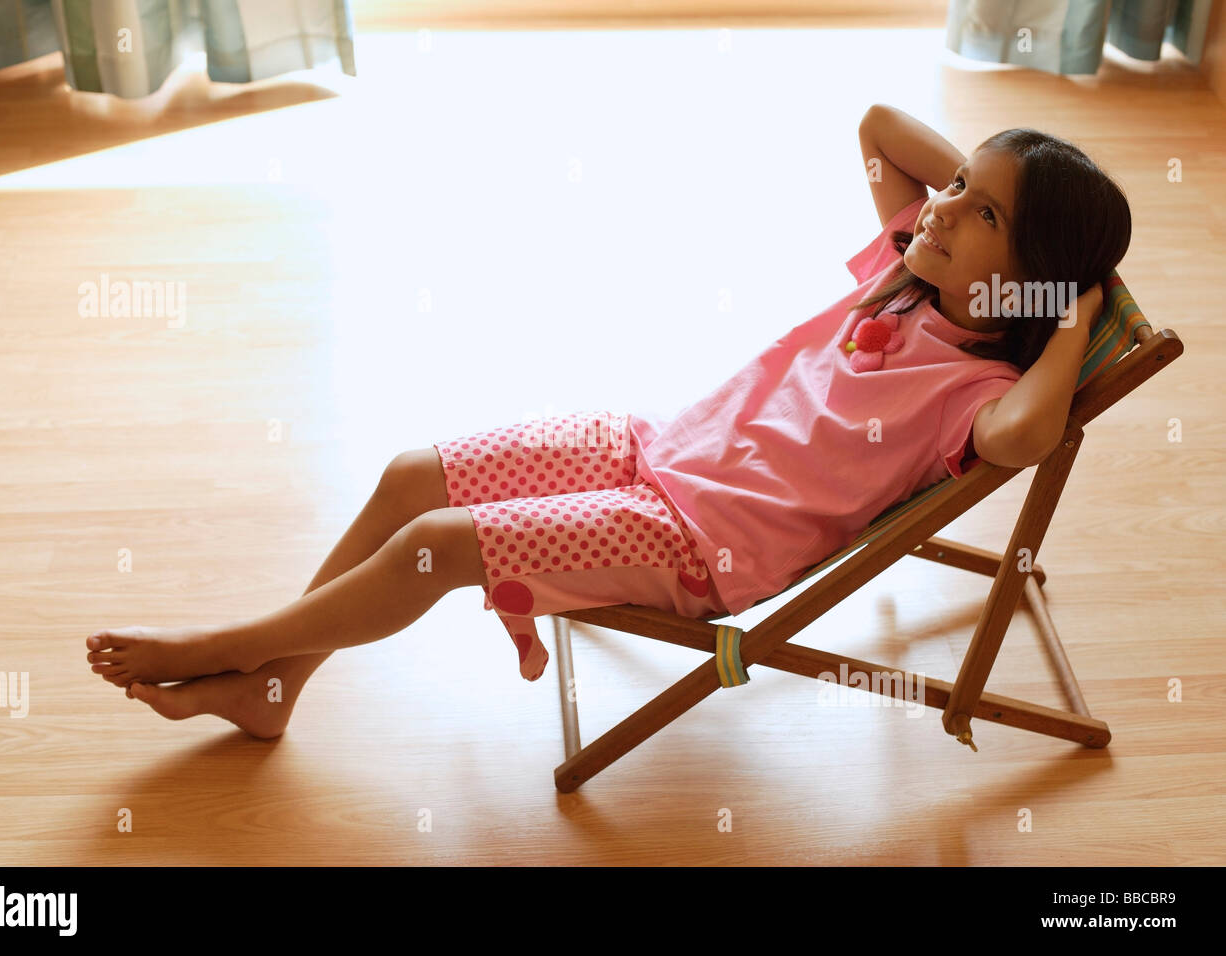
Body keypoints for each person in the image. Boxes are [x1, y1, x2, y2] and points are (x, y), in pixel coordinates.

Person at [86, 104, 1130, 737]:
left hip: (698, 542)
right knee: (415, 473)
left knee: (432, 546)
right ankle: (275, 688)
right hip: (654, 444)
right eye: (952, 187)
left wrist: (1073, 309)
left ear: (1031, 285)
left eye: (981, 211)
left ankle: (233, 647)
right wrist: (974, 200)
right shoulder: (911, 269)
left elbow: (1027, 438)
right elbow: (877, 124)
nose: (939, 205)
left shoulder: (974, 392)